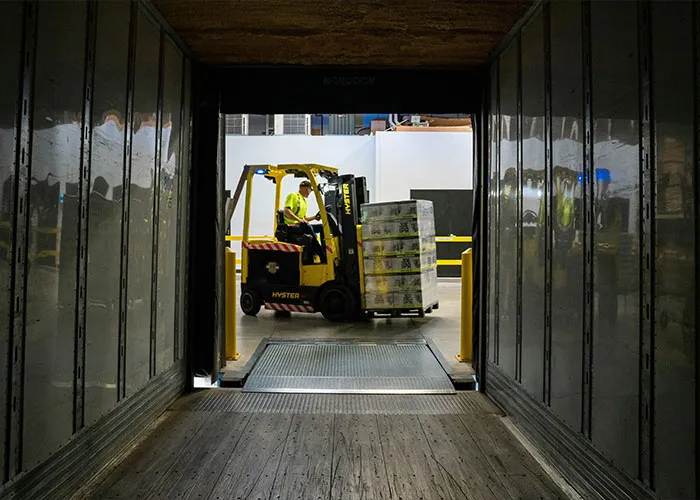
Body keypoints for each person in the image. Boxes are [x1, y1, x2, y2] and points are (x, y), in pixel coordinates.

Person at [283, 180, 324, 260]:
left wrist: (314, 217)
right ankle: (321, 254)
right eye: (310, 190)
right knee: (307, 226)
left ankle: (324, 249)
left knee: (321, 227)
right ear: (306, 188)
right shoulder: (293, 196)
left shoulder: (304, 201)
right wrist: (299, 220)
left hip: (300, 226)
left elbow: (304, 218)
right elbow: (286, 211)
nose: (310, 192)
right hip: (290, 226)